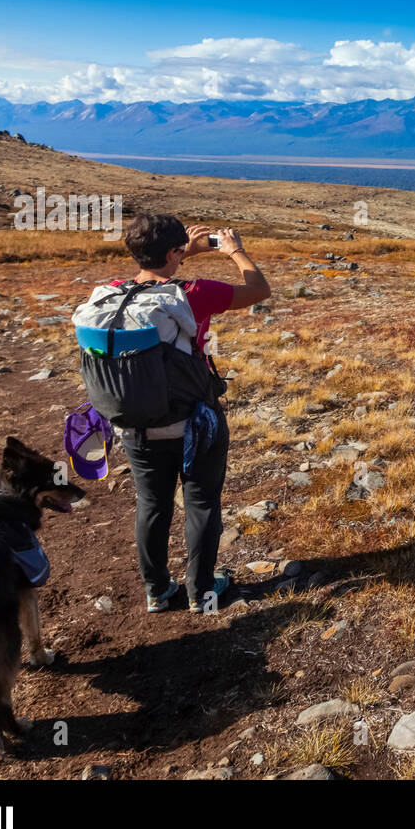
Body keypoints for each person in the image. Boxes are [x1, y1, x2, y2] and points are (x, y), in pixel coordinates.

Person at [112, 214, 271, 613]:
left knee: (152, 504)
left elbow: (150, 283)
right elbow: (258, 289)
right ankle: (201, 592)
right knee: (200, 501)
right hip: (193, 421)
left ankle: (157, 591)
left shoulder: (113, 292)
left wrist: (180, 254)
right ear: (173, 252)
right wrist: (235, 251)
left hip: (134, 423)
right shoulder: (195, 293)